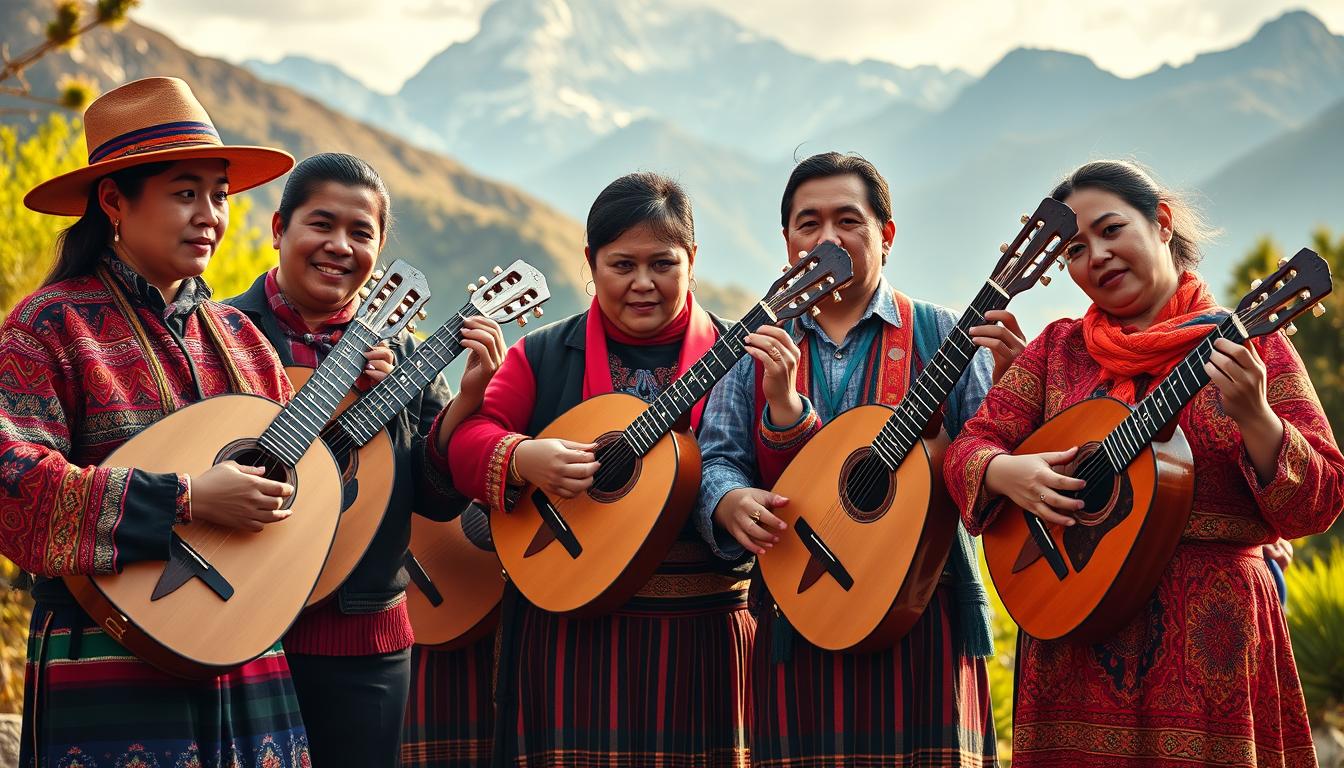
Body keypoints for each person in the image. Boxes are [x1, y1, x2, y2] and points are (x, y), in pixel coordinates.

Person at [945, 159, 1344, 767]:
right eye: (1076, 249)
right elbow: (968, 450)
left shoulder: (1251, 343)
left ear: (1160, 222)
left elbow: (1322, 498)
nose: (1096, 255)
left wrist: (1259, 419)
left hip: (1213, 644)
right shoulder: (1056, 350)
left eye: (1111, 230)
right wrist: (1009, 474)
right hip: (1072, 635)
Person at [1, 76, 313, 766]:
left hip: (246, 646)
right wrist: (188, 498)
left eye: (220, 196)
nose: (210, 215)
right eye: (185, 193)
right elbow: (13, 490)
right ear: (114, 199)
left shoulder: (243, 338)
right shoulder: (47, 327)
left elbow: (294, 492)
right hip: (106, 655)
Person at [695, 152, 1021, 766]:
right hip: (798, 604)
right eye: (807, 223)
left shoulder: (946, 335)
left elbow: (993, 470)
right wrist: (729, 499)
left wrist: (1007, 386)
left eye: (848, 220)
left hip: (921, 614)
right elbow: (719, 457)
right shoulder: (758, 342)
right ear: (787, 242)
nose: (826, 238)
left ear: (886, 236)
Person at [447, 172, 753, 766]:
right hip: (568, 630)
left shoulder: (734, 357)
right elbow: (466, 441)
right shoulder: (539, 353)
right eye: (621, 265)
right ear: (590, 263)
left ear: (692, 260)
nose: (643, 283)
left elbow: (771, 466)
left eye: (662, 263)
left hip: (700, 635)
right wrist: (522, 457)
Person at [223, 152, 506, 766]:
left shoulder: (403, 357)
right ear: (279, 229)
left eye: (361, 233)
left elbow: (433, 495)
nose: (339, 246)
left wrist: (468, 400)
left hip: (363, 638)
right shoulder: (220, 333)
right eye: (321, 225)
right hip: (232, 615)